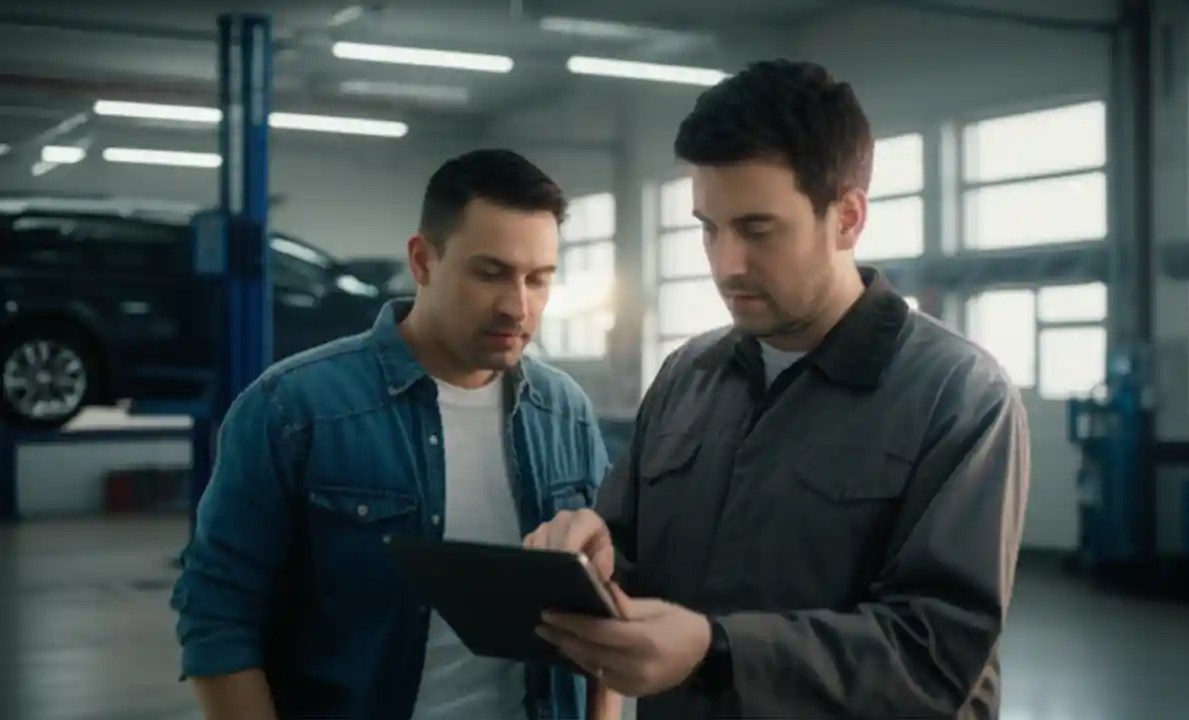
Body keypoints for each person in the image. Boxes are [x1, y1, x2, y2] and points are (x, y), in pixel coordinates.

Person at [524, 60, 1032, 719]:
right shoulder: (688, 376)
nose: (726, 263)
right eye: (709, 228)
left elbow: (935, 655)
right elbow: (633, 560)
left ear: (847, 217)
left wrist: (718, 650)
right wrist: (593, 561)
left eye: (758, 230)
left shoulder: (958, 395)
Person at [171, 149, 615, 720]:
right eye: (490, 273)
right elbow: (216, 616)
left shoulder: (565, 412)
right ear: (423, 260)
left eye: (539, 279)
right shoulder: (293, 408)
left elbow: (606, 605)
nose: (517, 306)